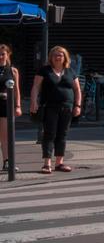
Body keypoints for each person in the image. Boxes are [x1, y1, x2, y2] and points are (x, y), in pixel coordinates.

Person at [30, 45, 81, 174]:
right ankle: (47, 163)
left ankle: (59, 163)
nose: (58, 57)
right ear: (51, 57)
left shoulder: (70, 71)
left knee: (62, 135)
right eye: (55, 55)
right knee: (49, 134)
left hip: (67, 107)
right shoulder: (44, 71)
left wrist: (78, 105)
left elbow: (77, 90)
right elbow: (36, 87)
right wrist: (33, 102)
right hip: (50, 107)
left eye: (61, 55)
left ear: (65, 57)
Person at [0, 43, 20, 173]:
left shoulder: (13, 70)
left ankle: (7, 162)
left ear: (8, 54)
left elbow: (17, 89)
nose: (0, 56)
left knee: (6, 135)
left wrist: (17, 105)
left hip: (6, 105)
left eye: (3, 54)